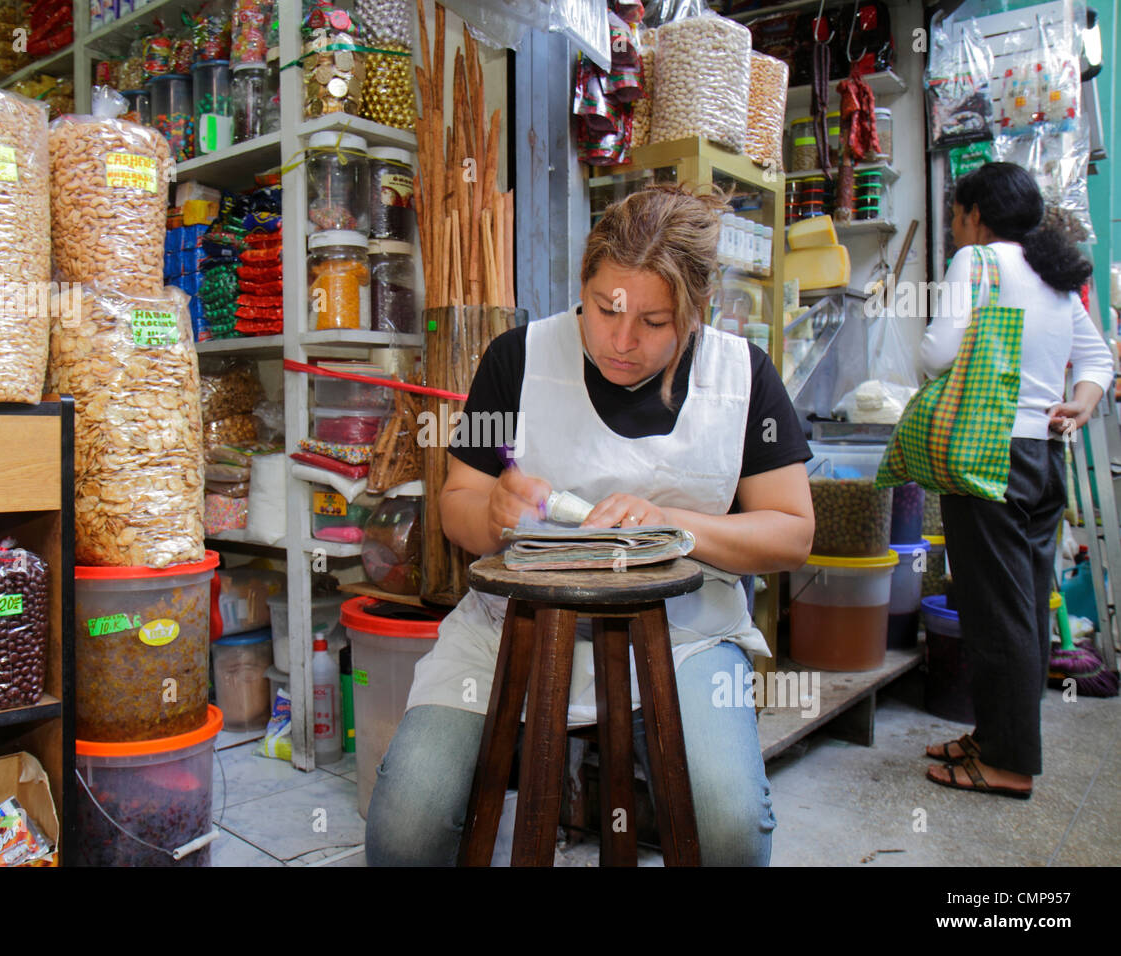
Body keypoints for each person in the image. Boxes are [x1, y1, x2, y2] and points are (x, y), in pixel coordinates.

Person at [364, 185, 815, 866]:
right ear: (585, 284)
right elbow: (458, 502)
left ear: (696, 313)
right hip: (509, 625)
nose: (622, 342)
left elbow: (791, 532)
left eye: (655, 323)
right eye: (608, 311)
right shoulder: (514, 361)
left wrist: (670, 524)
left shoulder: (741, 377)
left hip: (687, 633)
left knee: (730, 830)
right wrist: (492, 514)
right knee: (406, 831)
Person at [920, 162, 1114, 798]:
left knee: (995, 613)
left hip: (986, 455)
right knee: (1024, 607)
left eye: (956, 215)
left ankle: (1009, 765)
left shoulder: (977, 265)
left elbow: (936, 354)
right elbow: (1097, 358)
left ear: (976, 215)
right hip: (1042, 457)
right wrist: (1080, 405)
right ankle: (995, 736)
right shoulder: (1055, 276)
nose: (953, 229)